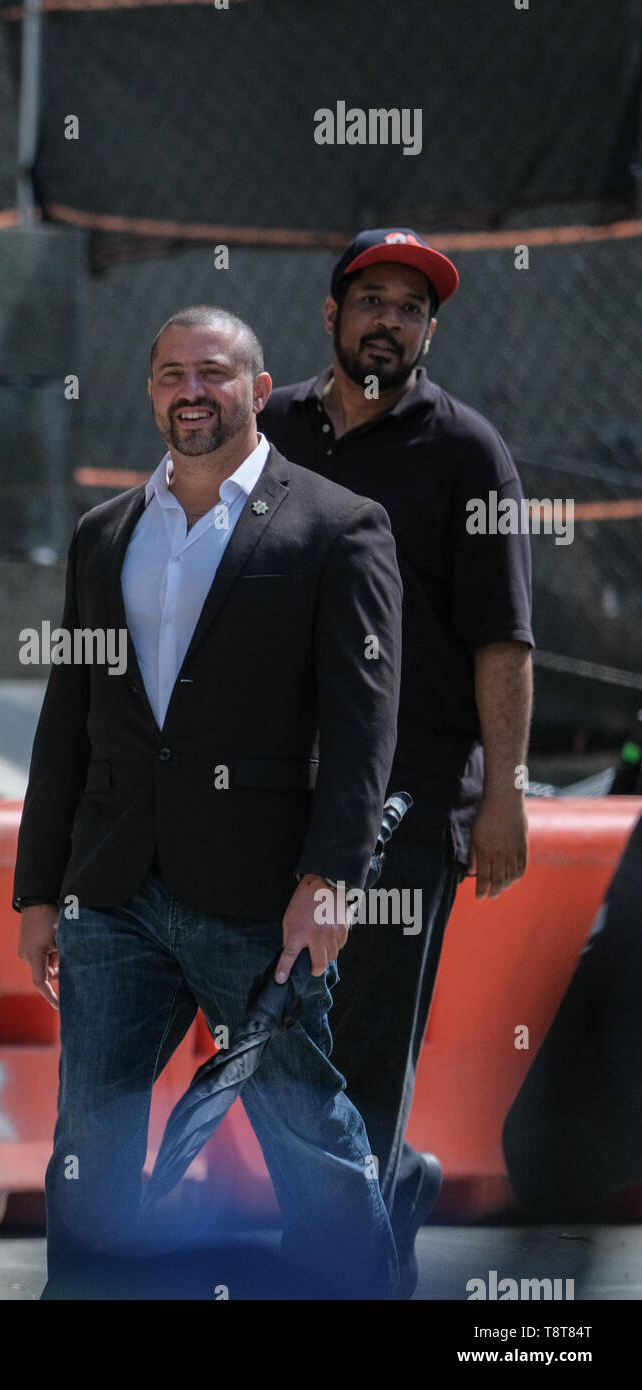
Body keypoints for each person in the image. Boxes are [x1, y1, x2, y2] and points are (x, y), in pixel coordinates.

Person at [14, 305, 404, 1299]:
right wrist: (37, 891)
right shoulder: (105, 535)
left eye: (215, 372)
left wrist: (330, 878)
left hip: (256, 894)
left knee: (305, 1123)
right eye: (172, 373)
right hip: (112, 891)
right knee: (90, 1133)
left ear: (260, 389)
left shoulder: (336, 526)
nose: (193, 390)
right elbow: (68, 719)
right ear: (150, 391)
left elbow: (364, 728)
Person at [260, 228, 534, 1297]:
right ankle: (394, 1185)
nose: (389, 319)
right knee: (270, 1041)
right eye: (370, 298)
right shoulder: (268, 428)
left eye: (410, 307)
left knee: (366, 1053)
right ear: (330, 314)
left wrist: (503, 798)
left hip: (406, 806)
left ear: (429, 330)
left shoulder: (470, 455)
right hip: (271, 790)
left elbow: (504, 644)